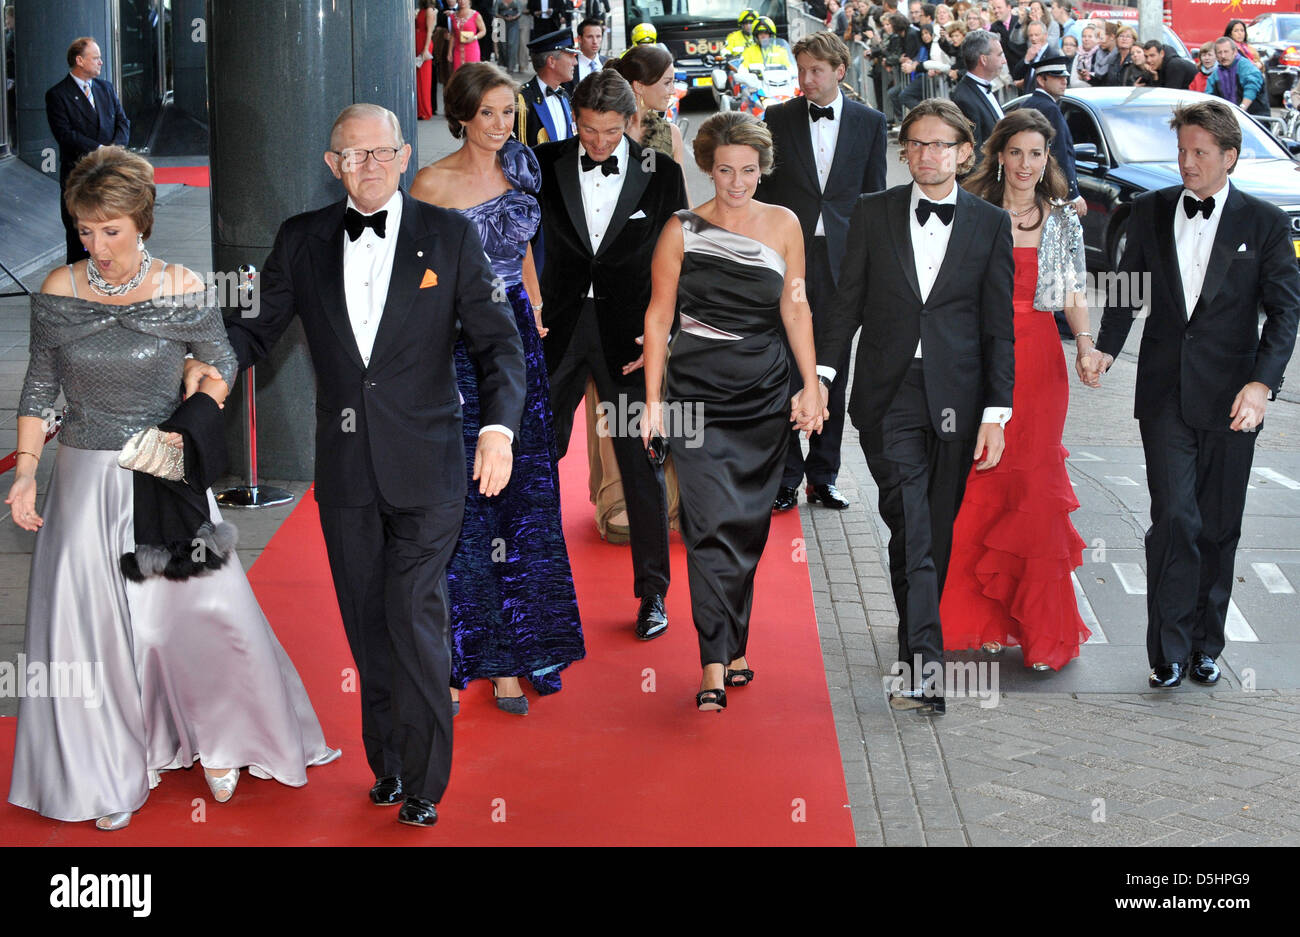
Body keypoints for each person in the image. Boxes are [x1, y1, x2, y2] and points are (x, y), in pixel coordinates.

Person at [189, 103, 526, 827]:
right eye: (352, 155)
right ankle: (390, 761)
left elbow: (499, 346)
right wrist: (205, 372)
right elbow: (252, 330)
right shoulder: (302, 239)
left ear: (404, 156)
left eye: (381, 153)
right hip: (345, 471)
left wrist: (498, 430)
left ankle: (427, 781)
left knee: (412, 613)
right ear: (331, 165)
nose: (368, 167)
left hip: (429, 466)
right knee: (368, 623)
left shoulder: (449, 235)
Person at [7, 146, 339, 831]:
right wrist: (26, 473)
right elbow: (41, 387)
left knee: (200, 616)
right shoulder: (59, 290)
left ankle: (223, 735)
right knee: (88, 636)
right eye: (86, 230)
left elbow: (222, 363)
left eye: (112, 230)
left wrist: (193, 410)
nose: (97, 246)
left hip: (163, 475)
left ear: (142, 221)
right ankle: (107, 767)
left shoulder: (183, 286)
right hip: (83, 481)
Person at [1083, 100, 1300, 690]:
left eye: (1199, 152)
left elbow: (1284, 313)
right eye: (1181, 150)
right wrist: (1105, 345)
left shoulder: (1265, 223)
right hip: (1164, 394)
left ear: (1229, 157)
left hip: (1235, 398)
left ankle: (1208, 643)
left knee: (1218, 525)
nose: (1186, 163)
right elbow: (1128, 287)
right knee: (1175, 517)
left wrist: (1262, 383)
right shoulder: (1150, 210)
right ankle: (1168, 651)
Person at [815, 99, 1015, 713]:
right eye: (916, 145)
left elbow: (997, 326)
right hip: (889, 392)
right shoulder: (872, 213)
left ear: (964, 152)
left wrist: (996, 413)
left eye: (940, 145)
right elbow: (845, 303)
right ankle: (924, 668)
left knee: (930, 527)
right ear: (904, 152)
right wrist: (821, 379)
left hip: (957, 396)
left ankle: (913, 637)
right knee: (914, 518)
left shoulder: (987, 223)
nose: (927, 156)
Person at [411, 64, 585, 716]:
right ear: (460, 115)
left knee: (521, 500)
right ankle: (462, 657)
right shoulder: (431, 183)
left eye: (508, 112)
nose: (500, 125)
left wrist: (537, 310)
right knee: (463, 501)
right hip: (455, 342)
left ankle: (513, 658)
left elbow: (529, 252)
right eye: (487, 113)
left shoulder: (523, 169)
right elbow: (420, 276)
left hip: (516, 341)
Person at [641, 111, 826, 712]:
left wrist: (811, 384)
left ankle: (735, 642)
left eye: (748, 170)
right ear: (708, 168)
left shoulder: (785, 224)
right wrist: (651, 404)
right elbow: (658, 318)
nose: (737, 182)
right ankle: (714, 662)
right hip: (695, 393)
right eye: (725, 170)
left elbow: (796, 309)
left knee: (744, 527)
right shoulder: (681, 229)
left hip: (764, 394)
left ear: (762, 169)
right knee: (705, 526)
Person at [534, 70, 688, 642]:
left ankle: (653, 594)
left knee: (640, 465)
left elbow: (679, 256)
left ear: (631, 122)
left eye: (608, 131)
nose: (596, 142)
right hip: (559, 332)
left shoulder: (662, 173)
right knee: (533, 457)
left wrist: (664, 334)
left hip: (629, 341)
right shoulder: (543, 163)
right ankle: (531, 586)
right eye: (587, 130)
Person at [941, 109, 1091, 670]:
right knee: (979, 483)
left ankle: (1041, 632)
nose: (1026, 164)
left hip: (1040, 366)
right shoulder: (970, 213)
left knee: (1032, 488)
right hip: (978, 360)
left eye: (1036, 154)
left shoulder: (1062, 222)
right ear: (998, 155)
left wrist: (1084, 342)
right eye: (1016, 152)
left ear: (1047, 159)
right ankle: (979, 620)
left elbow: (1072, 290)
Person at [758, 31, 887, 514]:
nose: (806, 80)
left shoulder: (871, 123)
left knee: (832, 366)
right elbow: (764, 195)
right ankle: (786, 477)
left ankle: (824, 475)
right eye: (801, 70)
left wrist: (875, 266)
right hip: (789, 260)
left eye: (816, 70)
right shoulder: (777, 118)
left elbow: (874, 198)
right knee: (788, 366)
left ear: (839, 71)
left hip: (844, 263)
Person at [45, 37, 129, 265]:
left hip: (110, 175)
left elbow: (123, 121)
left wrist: (116, 149)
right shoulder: (58, 95)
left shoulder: (106, 88)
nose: (101, 62)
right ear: (79, 60)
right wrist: (101, 149)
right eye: (96, 57)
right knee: (81, 238)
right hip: (80, 178)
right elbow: (65, 135)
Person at [950, 29, 1005, 163]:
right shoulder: (964, 99)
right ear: (984, 60)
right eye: (1000, 55)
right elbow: (973, 156)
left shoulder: (983, 88)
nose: (1004, 61)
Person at [515, 29, 577, 145]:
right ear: (551, 61)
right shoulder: (523, 99)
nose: (575, 62)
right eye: (570, 56)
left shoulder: (564, 95)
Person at [1206, 36, 1268, 117]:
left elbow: (1251, 87)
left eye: (1226, 51)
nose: (1223, 56)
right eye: (1219, 52)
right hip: (1229, 121)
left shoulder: (1246, 67)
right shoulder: (1214, 76)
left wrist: (1242, 109)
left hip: (1255, 120)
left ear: (1234, 51)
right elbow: (1209, 97)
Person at [1011, 19, 1060, 95]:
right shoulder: (1030, 53)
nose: (1033, 38)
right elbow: (1016, 75)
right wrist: (1026, 60)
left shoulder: (1053, 55)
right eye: (1031, 35)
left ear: (1045, 35)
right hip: (1027, 97)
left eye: (1036, 35)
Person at [567, 16, 609, 93]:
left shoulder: (608, 63)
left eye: (598, 36)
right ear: (579, 39)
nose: (595, 41)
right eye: (590, 37)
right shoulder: (569, 66)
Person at [450, 0, 486, 72]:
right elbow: (453, 35)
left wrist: (474, 37)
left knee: (472, 74)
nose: (462, 1)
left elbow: (483, 31)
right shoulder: (453, 16)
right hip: (457, 50)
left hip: (472, 49)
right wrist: (449, 52)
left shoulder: (475, 15)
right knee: (458, 74)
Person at [417, 0, 439, 118]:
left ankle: (425, 111)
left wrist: (426, 49)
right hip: (418, 42)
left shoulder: (429, 11)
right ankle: (420, 109)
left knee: (424, 79)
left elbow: (430, 32)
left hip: (424, 43)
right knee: (418, 78)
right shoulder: (422, 10)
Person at [493, 0, 524, 73]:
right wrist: (502, 17)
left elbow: (520, 12)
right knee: (503, 45)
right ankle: (504, 64)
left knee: (512, 44)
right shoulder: (498, 1)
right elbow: (495, 12)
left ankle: (511, 66)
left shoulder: (517, 1)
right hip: (501, 23)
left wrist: (513, 17)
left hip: (513, 24)